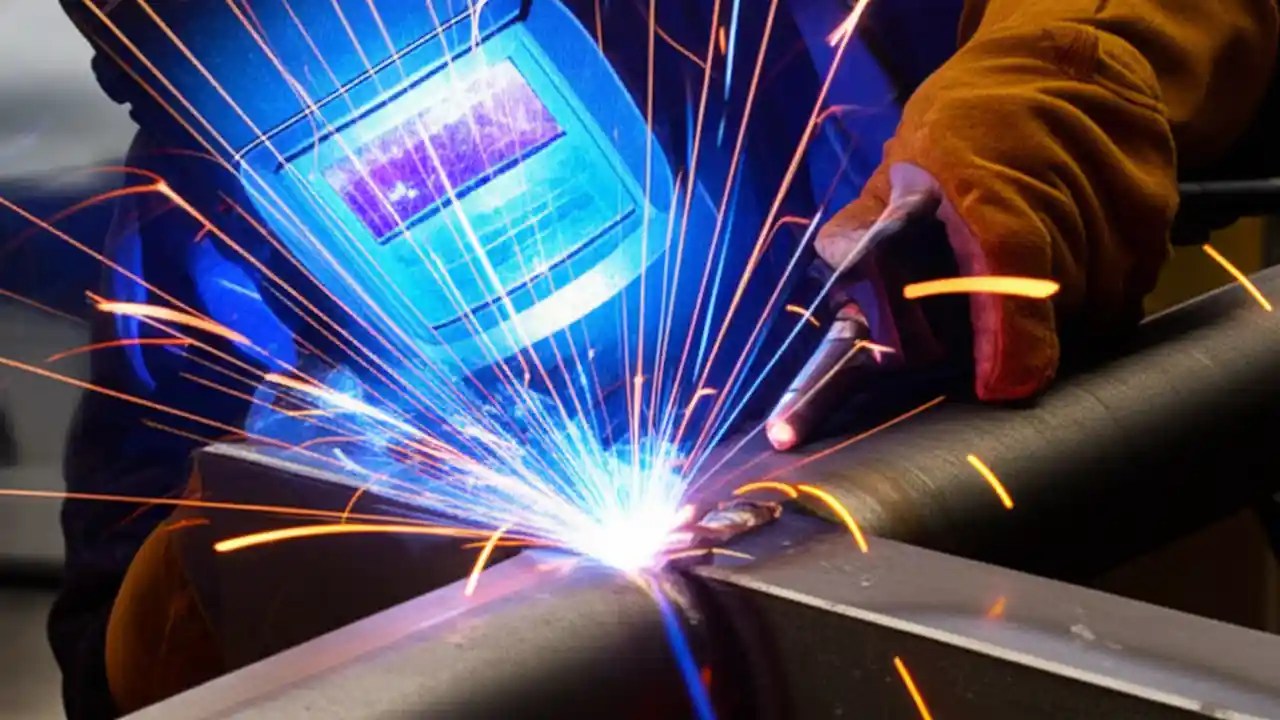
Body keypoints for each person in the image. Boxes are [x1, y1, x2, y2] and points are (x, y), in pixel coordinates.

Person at [46, 0, 1279, 717]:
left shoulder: (771, 29)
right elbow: (116, 657)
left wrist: (1068, 77)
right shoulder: (200, 252)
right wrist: (240, 564)